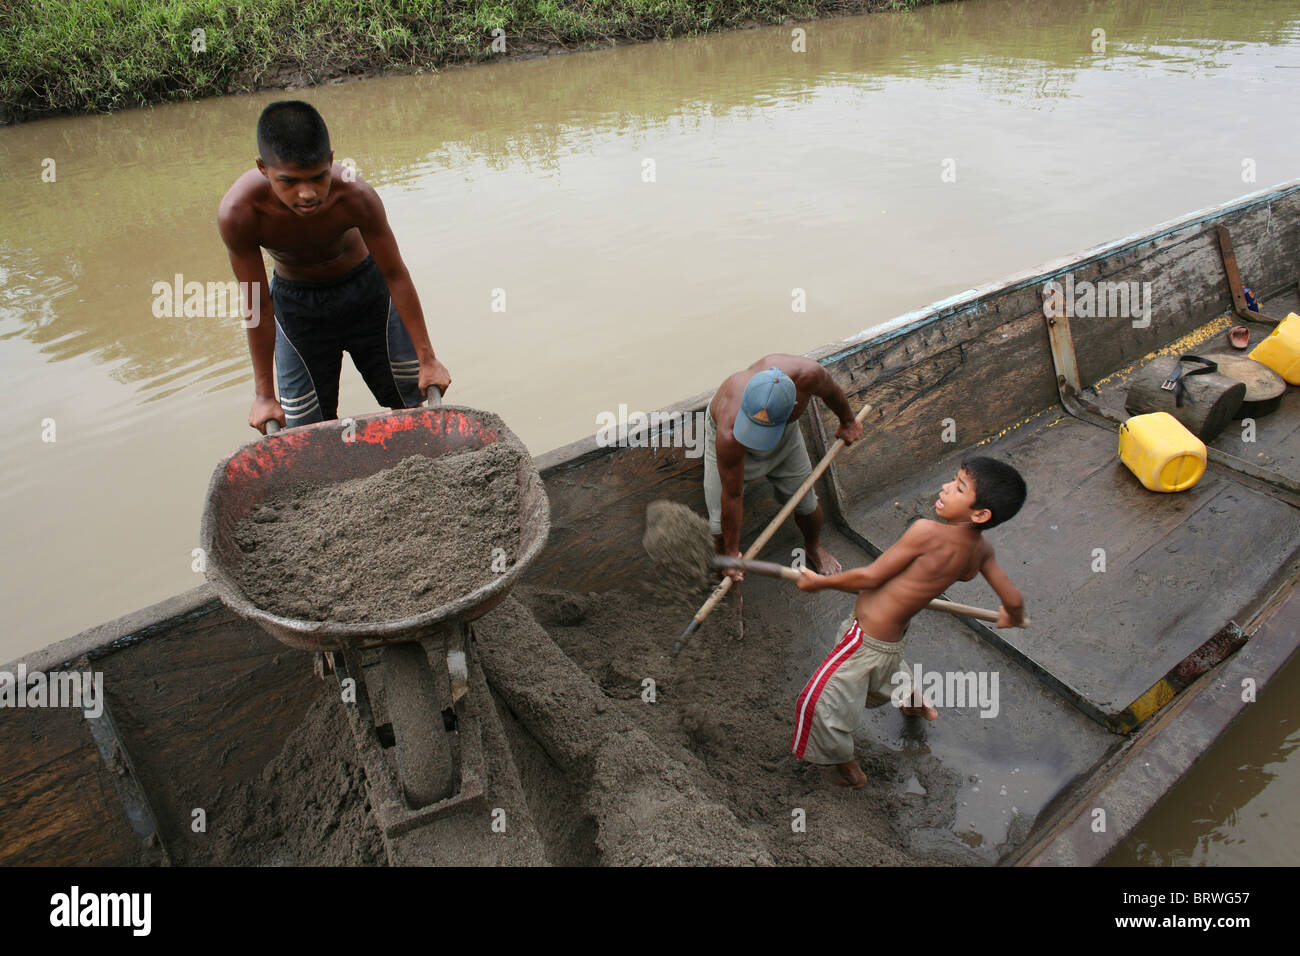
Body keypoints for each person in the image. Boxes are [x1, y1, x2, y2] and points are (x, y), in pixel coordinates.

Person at [790, 456, 1027, 789]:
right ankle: (917, 706)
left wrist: (819, 582)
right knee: (889, 666)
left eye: (958, 487)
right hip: (890, 639)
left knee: (817, 704)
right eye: (953, 479)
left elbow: (870, 577)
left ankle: (849, 771)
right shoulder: (981, 551)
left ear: (980, 514)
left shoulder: (926, 532)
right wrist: (1012, 617)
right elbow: (1013, 600)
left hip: (865, 638)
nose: (945, 487)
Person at [218, 100, 451, 433]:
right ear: (263, 169)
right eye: (289, 181)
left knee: (412, 397)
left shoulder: (355, 195)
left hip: (366, 294)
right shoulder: (240, 213)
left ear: (330, 161)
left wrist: (428, 358)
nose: (308, 194)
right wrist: (264, 394)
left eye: (318, 177)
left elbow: (395, 274)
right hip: (297, 308)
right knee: (304, 429)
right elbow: (257, 304)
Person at [705, 355, 863, 591]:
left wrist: (848, 421)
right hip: (737, 439)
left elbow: (832, 393)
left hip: (784, 437)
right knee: (718, 527)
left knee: (807, 505)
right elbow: (733, 495)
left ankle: (813, 546)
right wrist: (731, 552)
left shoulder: (809, 375)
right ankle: (726, 570)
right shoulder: (730, 427)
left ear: (795, 405)